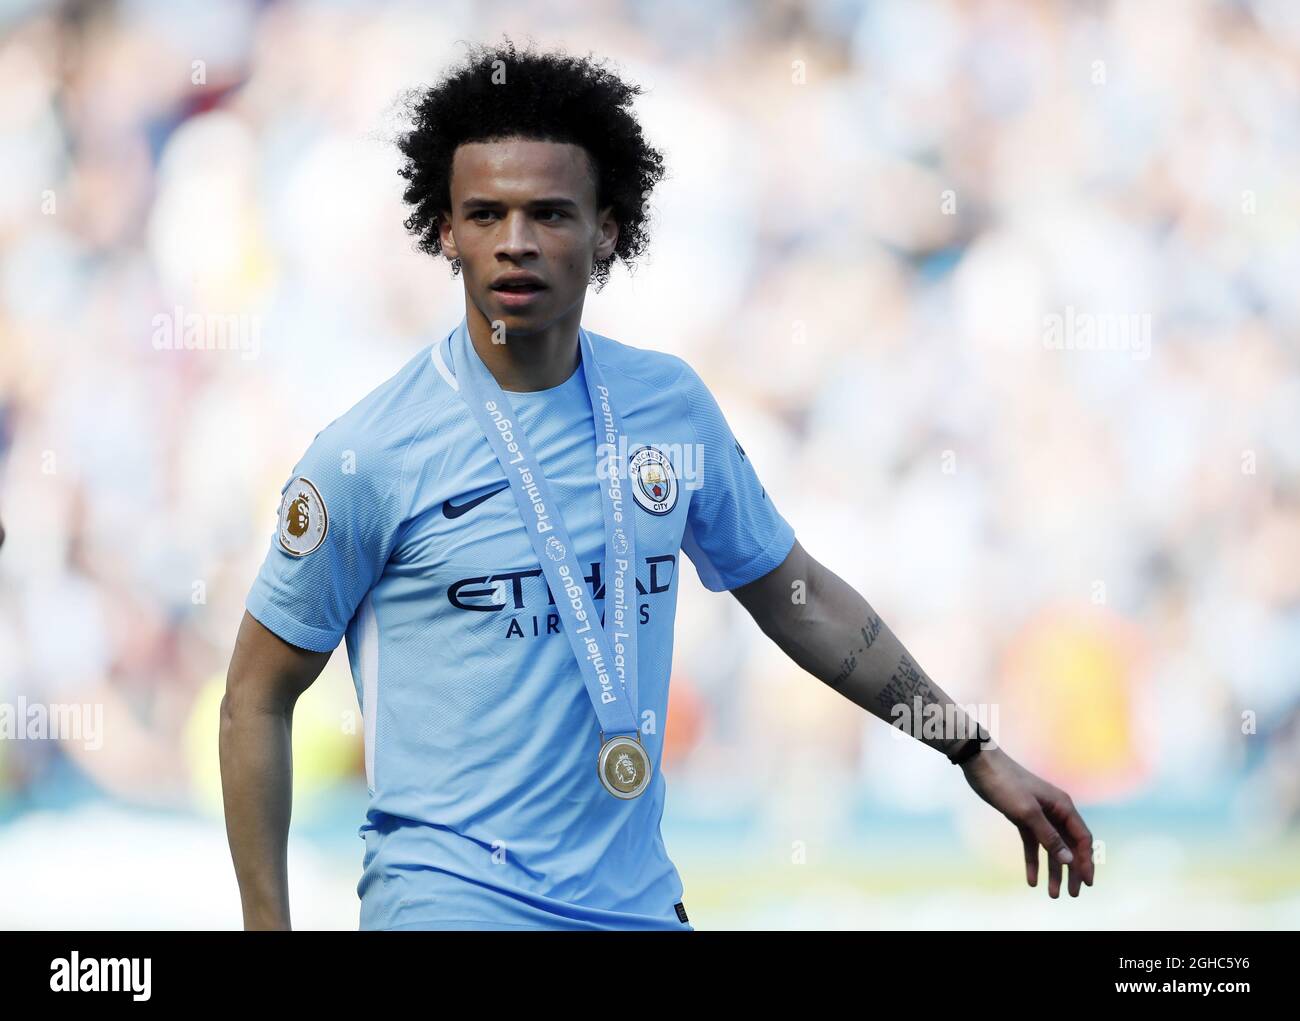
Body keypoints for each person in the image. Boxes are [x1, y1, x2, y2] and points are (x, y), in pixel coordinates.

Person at [219, 40, 1094, 931]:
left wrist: (968, 747)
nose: (515, 242)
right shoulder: (369, 455)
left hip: (635, 907)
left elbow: (798, 599)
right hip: (448, 905)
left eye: (550, 214)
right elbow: (255, 696)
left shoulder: (667, 408)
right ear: (445, 230)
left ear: (607, 229)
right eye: (485, 214)